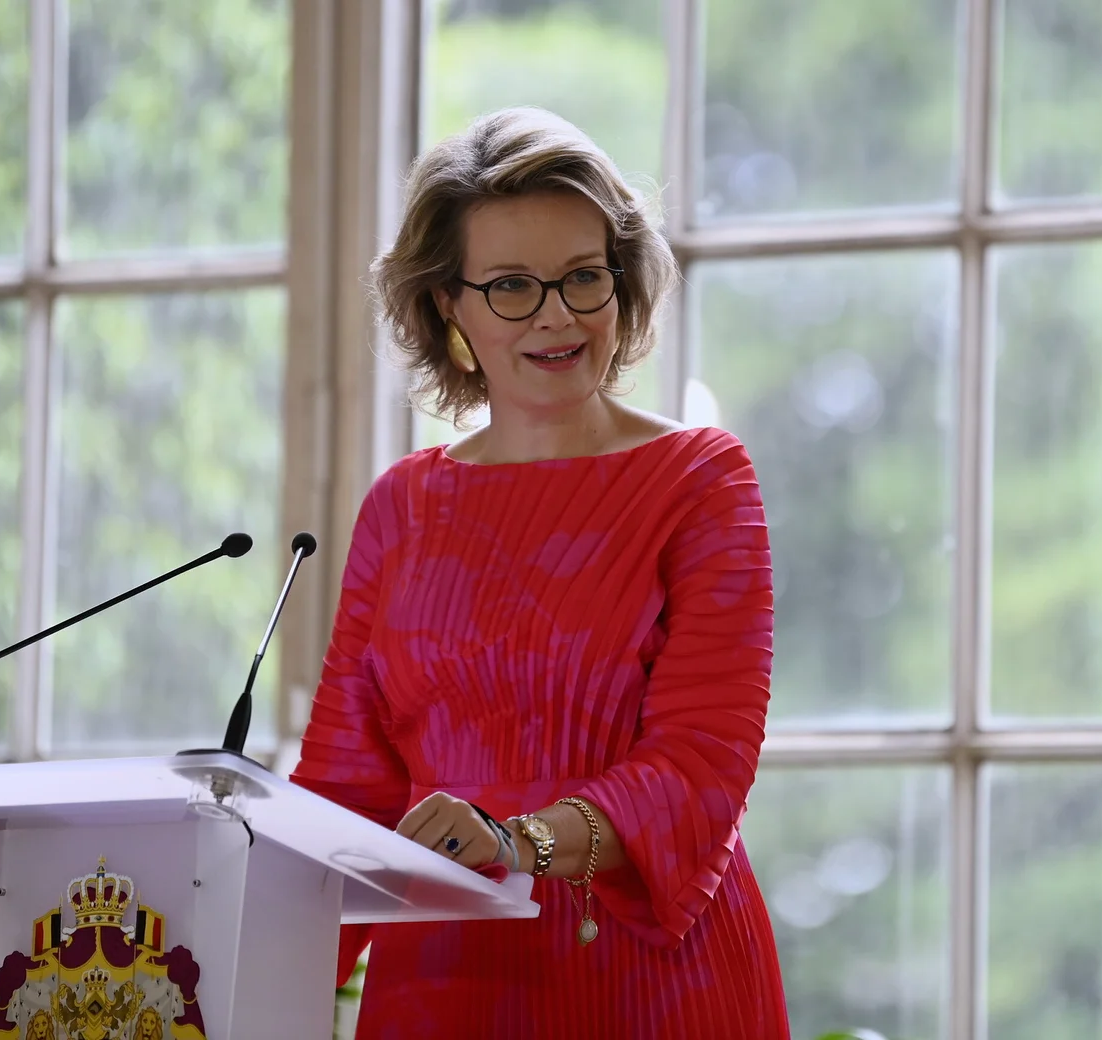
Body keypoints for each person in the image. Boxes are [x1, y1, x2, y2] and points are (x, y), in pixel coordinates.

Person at [290, 106, 789, 1038]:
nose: (557, 315)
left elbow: (701, 765)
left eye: (582, 278)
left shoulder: (702, 481)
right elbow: (344, 788)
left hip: (651, 980)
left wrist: (517, 843)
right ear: (450, 304)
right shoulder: (402, 506)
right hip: (439, 980)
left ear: (622, 280)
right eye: (513, 286)